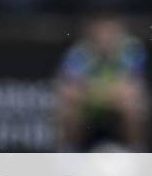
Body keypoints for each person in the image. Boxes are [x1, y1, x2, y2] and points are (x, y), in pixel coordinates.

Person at [55, 16, 149, 152]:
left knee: (133, 105)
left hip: (116, 106)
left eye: (109, 29)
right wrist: (104, 93)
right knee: (67, 109)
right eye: (101, 29)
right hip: (90, 107)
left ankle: (136, 151)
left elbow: (131, 88)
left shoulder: (131, 50)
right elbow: (68, 90)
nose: (105, 34)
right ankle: (68, 154)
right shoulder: (80, 52)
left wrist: (91, 90)